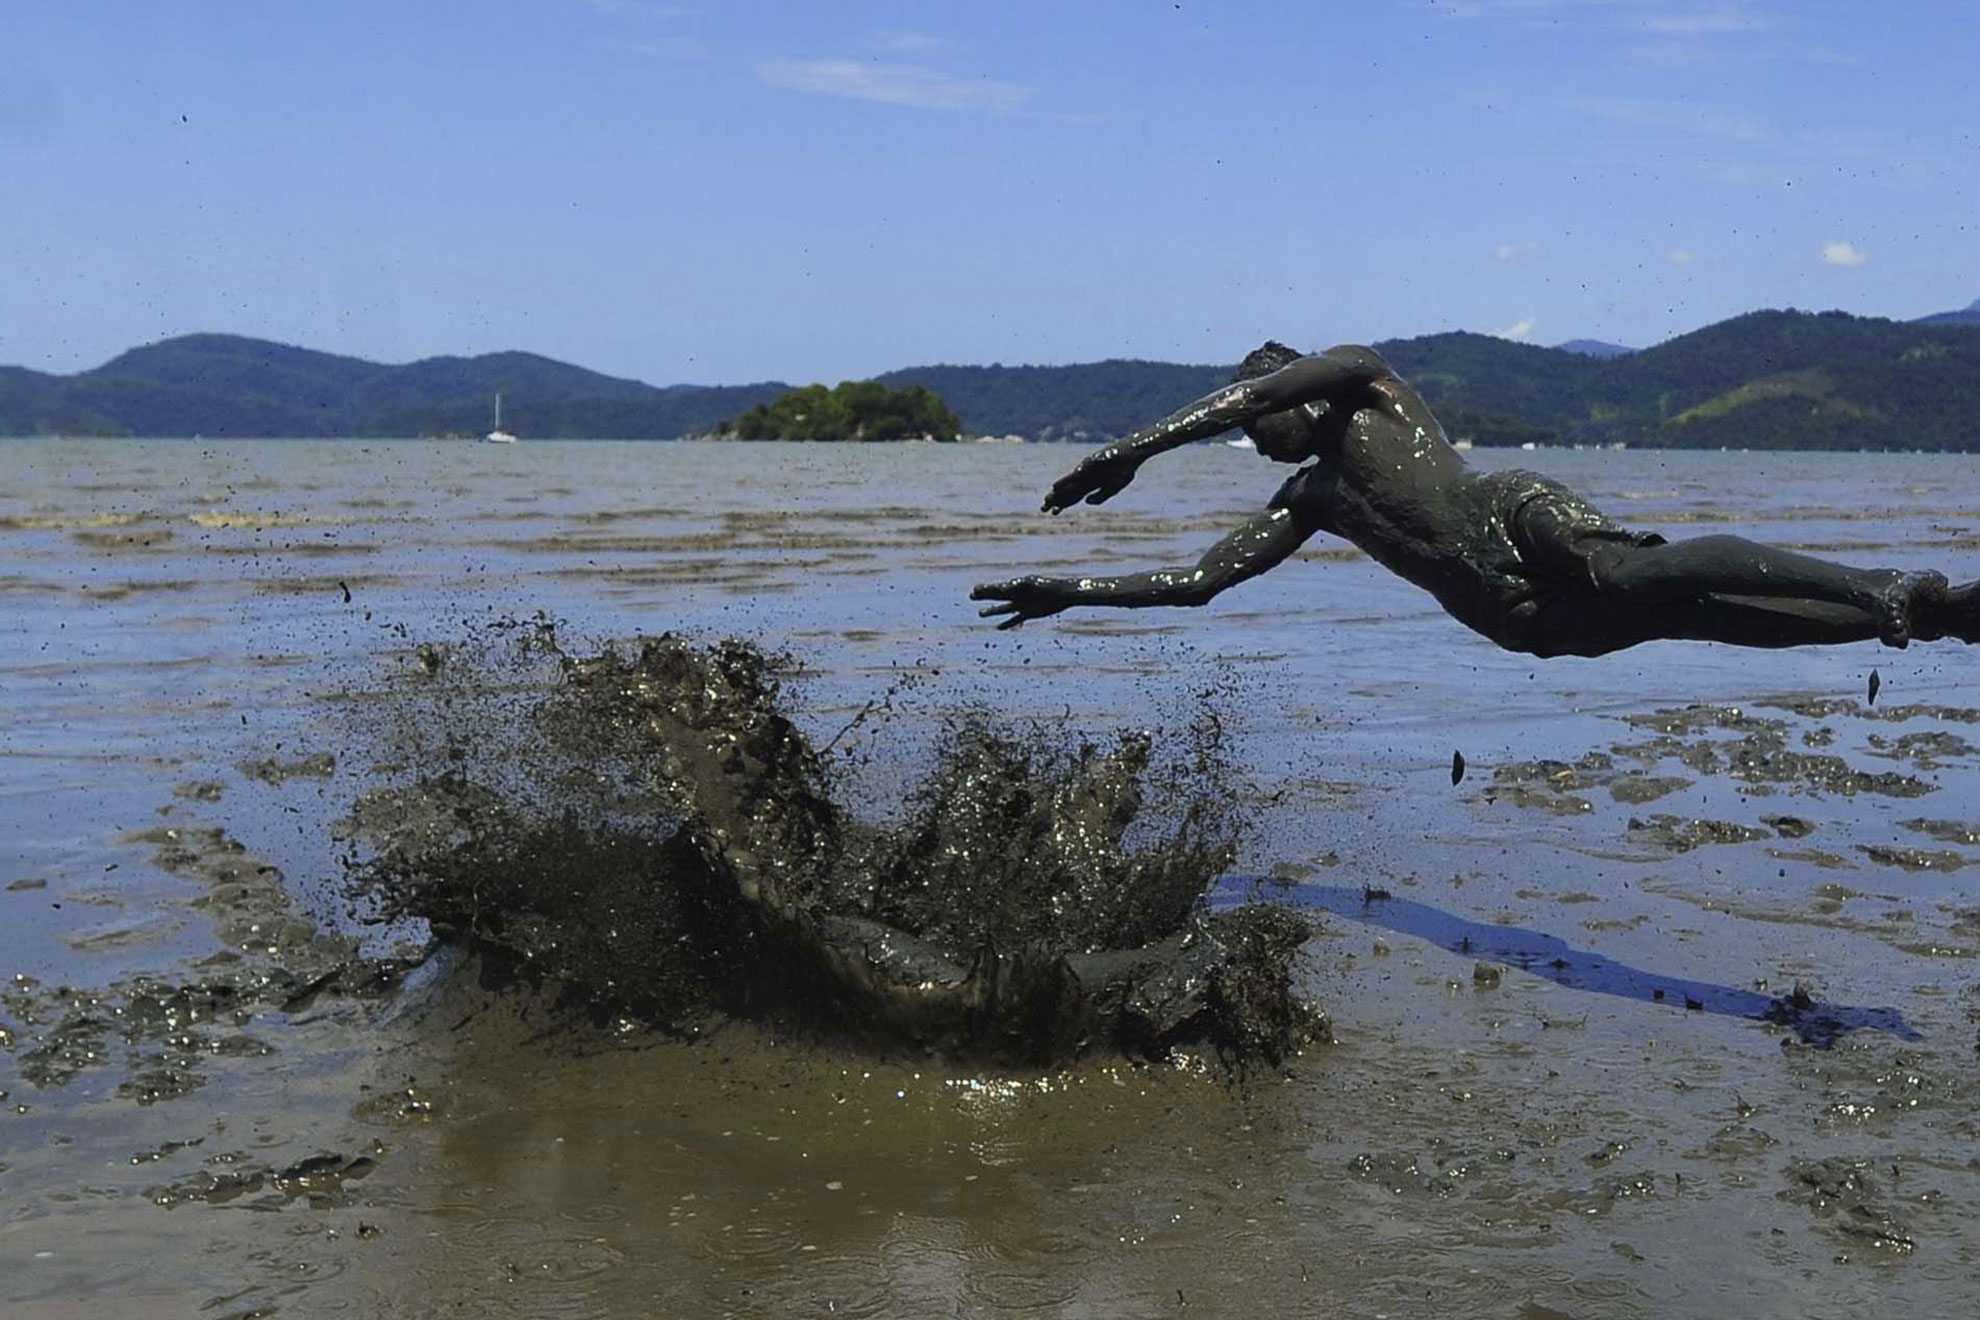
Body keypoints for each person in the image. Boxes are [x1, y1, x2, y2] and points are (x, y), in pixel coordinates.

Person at [970, 341, 1980, 657]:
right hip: (1510, 614)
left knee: (1635, 573)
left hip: (1512, 515)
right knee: (1694, 618)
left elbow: (1247, 396)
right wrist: (1074, 591)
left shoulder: (1365, 383)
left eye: (1261, 419)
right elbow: (1199, 582)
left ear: (1293, 393)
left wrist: (1130, 451)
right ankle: (1929, 618)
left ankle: (1883, 584)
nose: (1254, 435)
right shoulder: (1311, 499)